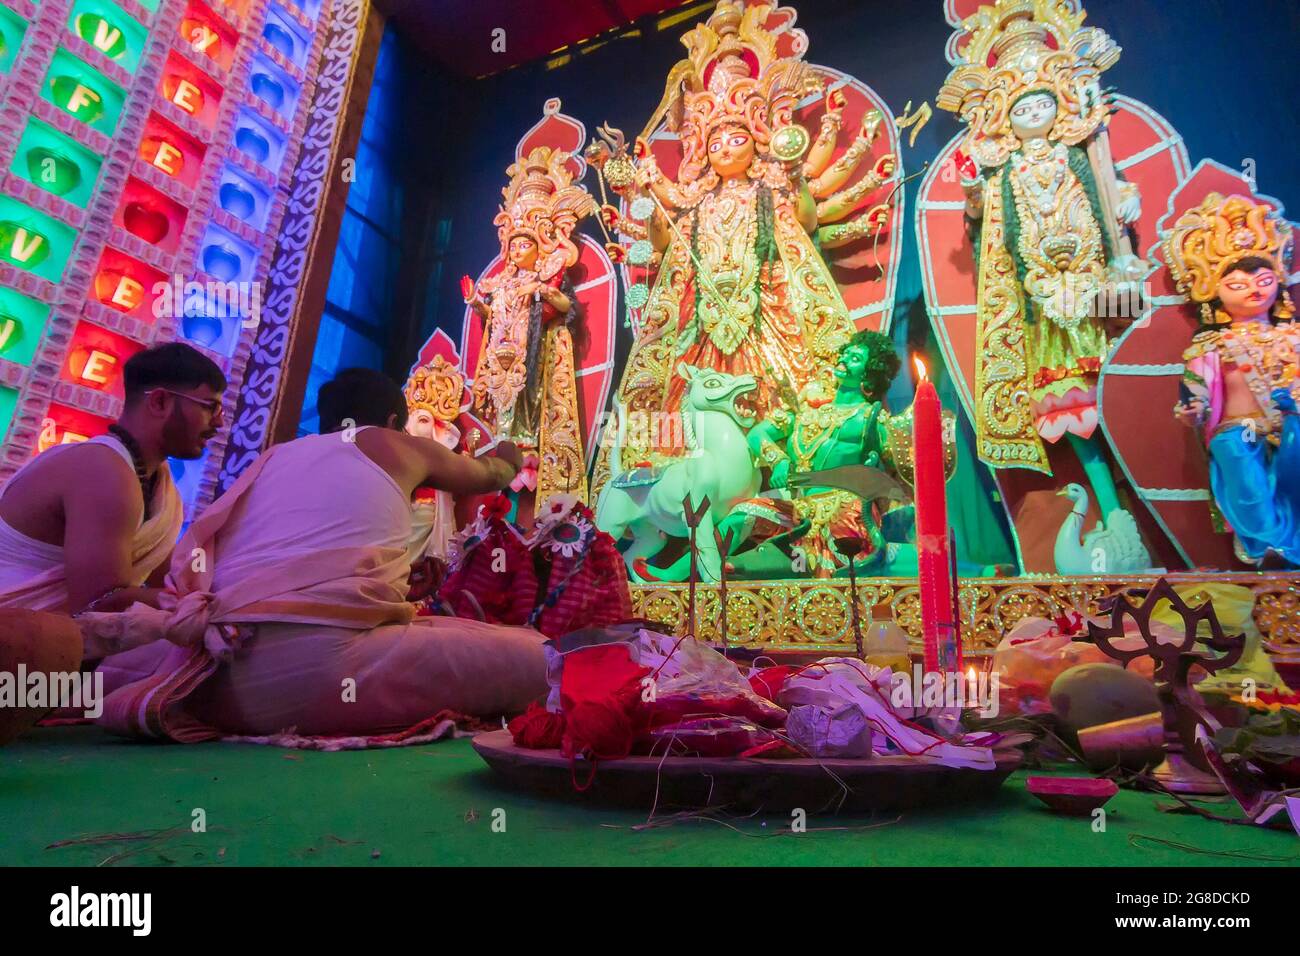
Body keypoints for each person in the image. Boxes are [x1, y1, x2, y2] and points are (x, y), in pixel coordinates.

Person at [88, 367, 549, 742]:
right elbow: (490, 475)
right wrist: (510, 450)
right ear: (394, 421)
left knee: (442, 629)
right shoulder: (399, 445)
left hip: (207, 674)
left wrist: (393, 583)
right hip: (317, 677)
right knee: (540, 657)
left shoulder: (273, 457)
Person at [0, 342, 226, 614]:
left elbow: (166, 579)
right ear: (160, 401)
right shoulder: (102, 470)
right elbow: (98, 605)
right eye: (210, 407)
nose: (219, 423)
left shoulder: (160, 492)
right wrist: (200, 606)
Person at [1169, 195, 1300, 567]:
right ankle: (1269, 548)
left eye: (1263, 281)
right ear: (1215, 290)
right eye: (1238, 284)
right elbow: (1197, 386)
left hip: (1291, 425)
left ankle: (1290, 548)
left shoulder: (1292, 336)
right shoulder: (1213, 343)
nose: (1254, 291)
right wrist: (1193, 407)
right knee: (1245, 475)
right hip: (1237, 429)